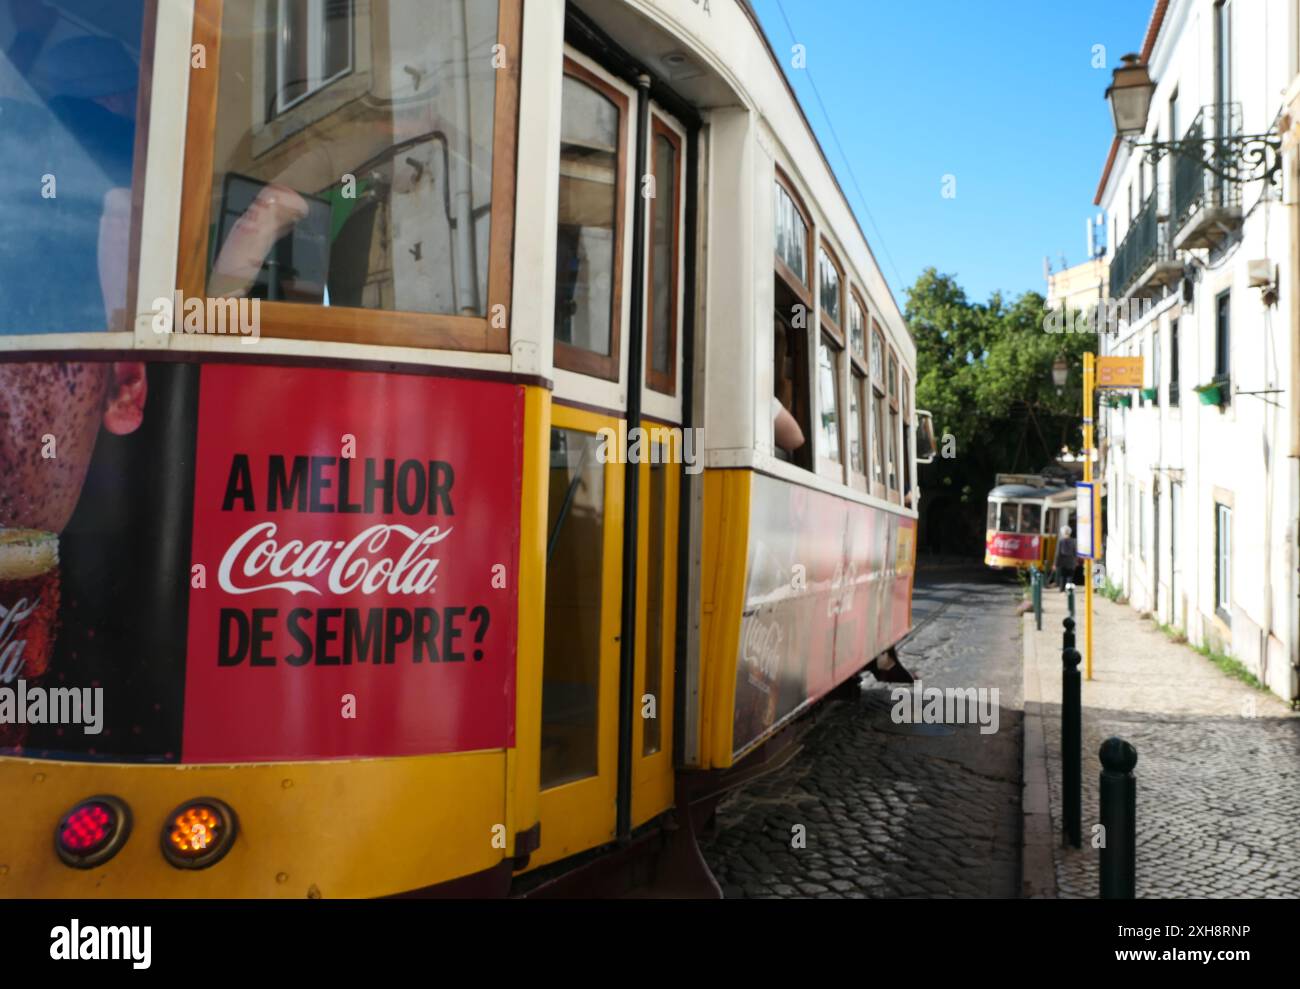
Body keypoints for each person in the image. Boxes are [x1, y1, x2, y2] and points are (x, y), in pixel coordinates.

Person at [1054, 524, 1077, 592]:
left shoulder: (1061, 541)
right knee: (1069, 577)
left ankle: (1061, 589)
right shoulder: (1073, 541)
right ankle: (1068, 590)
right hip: (1071, 561)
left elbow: (1058, 553)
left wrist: (1055, 564)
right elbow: (1075, 552)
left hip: (1062, 561)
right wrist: (1075, 562)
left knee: (1062, 576)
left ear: (1062, 533)